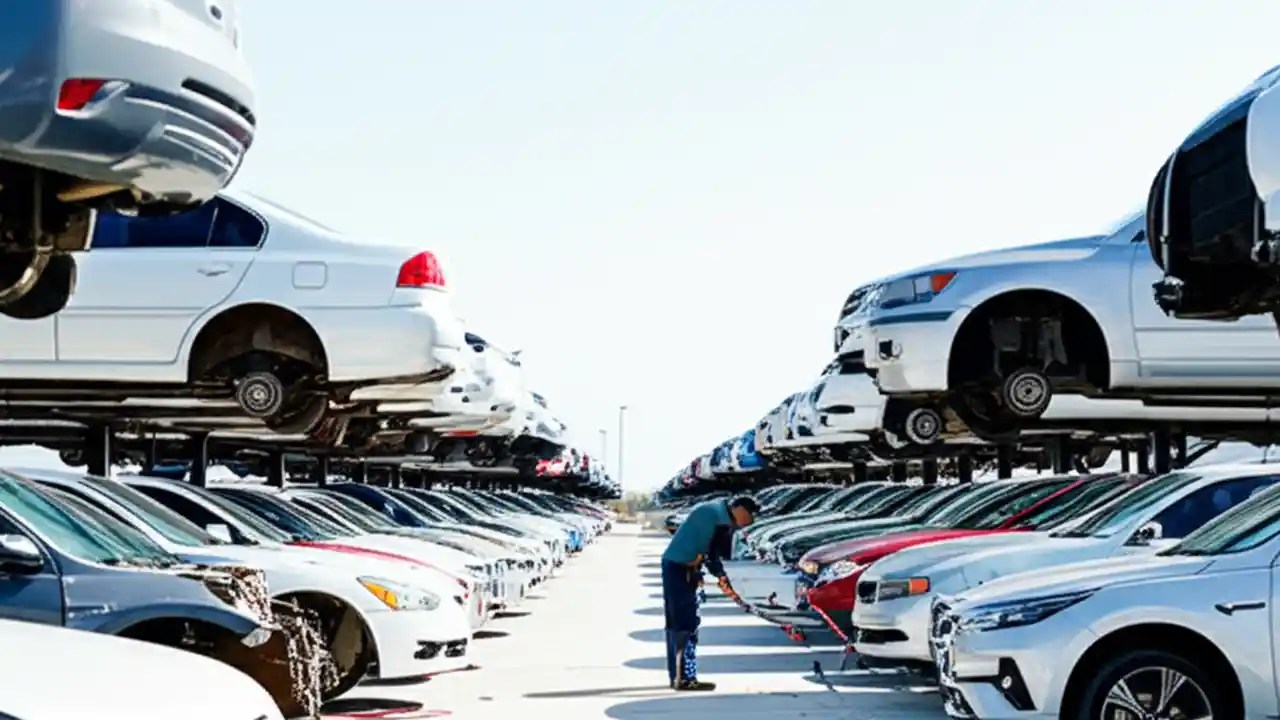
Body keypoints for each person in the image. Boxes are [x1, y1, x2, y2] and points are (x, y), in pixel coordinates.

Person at [660, 495, 758, 691]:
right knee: (685, 623)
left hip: (682, 567)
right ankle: (684, 678)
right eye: (750, 516)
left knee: (682, 623)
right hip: (680, 569)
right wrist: (722, 578)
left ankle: (681, 676)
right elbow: (710, 554)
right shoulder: (712, 515)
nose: (749, 522)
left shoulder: (720, 515)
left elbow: (712, 554)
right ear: (739, 509)